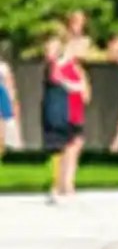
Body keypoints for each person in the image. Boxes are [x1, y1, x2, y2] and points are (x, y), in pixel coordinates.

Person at [45, 34, 91, 202]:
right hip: (65, 112)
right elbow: (65, 83)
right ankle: (61, 184)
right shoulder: (59, 66)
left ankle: (67, 183)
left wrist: (81, 89)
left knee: (74, 146)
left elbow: (85, 92)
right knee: (65, 147)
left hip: (75, 110)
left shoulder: (75, 67)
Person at [0, 49, 20, 155]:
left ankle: (4, 149)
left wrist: (12, 99)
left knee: (4, 124)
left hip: (3, 98)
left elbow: (9, 84)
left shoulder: (3, 67)